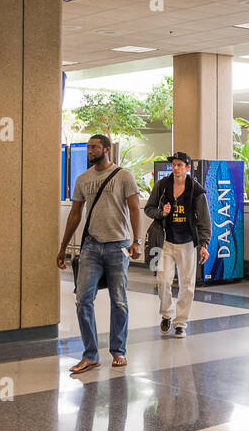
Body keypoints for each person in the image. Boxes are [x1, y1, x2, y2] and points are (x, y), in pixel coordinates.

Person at [57, 134, 142, 373]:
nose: (90, 151)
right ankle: (90, 355)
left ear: (106, 149)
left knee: (119, 301)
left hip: (118, 245)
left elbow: (135, 209)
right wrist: (63, 247)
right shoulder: (83, 179)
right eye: (88, 148)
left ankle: (118, 352)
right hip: (91, 247)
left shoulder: (124, 176)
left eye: (94, 147)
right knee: (83, 299)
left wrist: (136, 241)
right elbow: (75, 214)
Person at [144, 152, 212, 338]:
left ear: (187, 168)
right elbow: (148, 209)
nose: (176, 168)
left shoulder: (195, 190)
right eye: (174, 164)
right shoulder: (162, 186)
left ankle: (180, 323)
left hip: (187, 243)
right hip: (166, 241)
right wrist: (161, 212)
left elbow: (204, 220)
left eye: (180, 165)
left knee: (187, 285)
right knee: (162, 280)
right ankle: (166, 314)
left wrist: (204, 244)